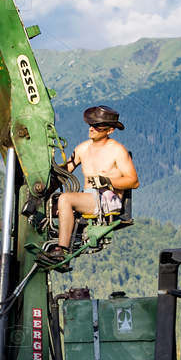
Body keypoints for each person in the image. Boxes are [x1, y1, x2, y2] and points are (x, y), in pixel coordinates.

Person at [49, 105, 139, 255]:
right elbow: (63, 173)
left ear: (110, 130)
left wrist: (107, 181)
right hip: (88, 197)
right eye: (91, 125)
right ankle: (45, 247)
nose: (91, 129)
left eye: (97, 126)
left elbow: (133, 181)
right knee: (46, 207)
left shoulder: (117, 150)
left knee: (65, 199)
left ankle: (62, 249)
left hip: (108, 199)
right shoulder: (82, 149)